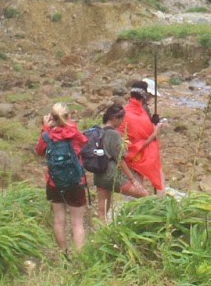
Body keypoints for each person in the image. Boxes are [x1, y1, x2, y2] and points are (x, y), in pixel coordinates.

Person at [37, 103, 89, 252]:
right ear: (69, 116)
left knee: (59, 220)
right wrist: (70, 124)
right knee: (77, 223)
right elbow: (84, 141)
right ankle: (80, 257)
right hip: (76, 181)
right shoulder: (73, 133)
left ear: (51, 117)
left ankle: (64, 255)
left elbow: (39, 151)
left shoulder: (47, 135)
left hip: (54, 182)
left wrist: (45, 128)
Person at [91, 102, 145, 222]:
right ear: (114, 118)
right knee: (144, 196)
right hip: (111, 175)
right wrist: (133, 180)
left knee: (102, 211)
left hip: (98, 175)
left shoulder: (97, 130)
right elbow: (120, 159)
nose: (122, 122)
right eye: (121, 119)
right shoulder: (113, 134)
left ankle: (100, 236)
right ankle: (137, 222)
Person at [122, 78, 167, 193]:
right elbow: (143, 138)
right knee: (136, 188)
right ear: (144, 95)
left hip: (125, 157)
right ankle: (161, 203)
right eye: (150, 95)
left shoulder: (125, 111)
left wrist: (152, 122)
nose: (151, 98)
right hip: (136, 155)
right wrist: (155, 130)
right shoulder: (138, 112)